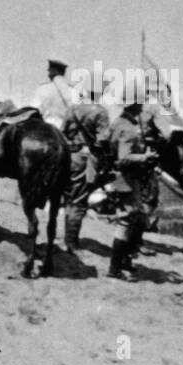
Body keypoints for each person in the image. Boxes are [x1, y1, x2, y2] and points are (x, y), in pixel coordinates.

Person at [106, 100, 162, 280]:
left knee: (135, 219)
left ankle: (123, 262)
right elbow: (124, 158)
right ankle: (115, 269)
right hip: (127, 180)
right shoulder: (129, 128)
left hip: (121, 178)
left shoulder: (117, 122)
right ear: (137, 106)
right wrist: (144, 157)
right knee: (126, 221)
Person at [61, 82, 112, 254]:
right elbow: (103, 140)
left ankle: (68, 237)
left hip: (70, 156)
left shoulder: (73, 108)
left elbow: (63, 133)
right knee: (79, 201)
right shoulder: (100, 112)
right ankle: (71, 242)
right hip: (87, 159)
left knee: (69, 198)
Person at [32, 58, 81, 129]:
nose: (48, 74)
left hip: (47, 128)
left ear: (54, 71)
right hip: (67, 129)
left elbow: (34, 108)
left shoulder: (42, 89)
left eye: (49, 71)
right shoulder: (74, 91)